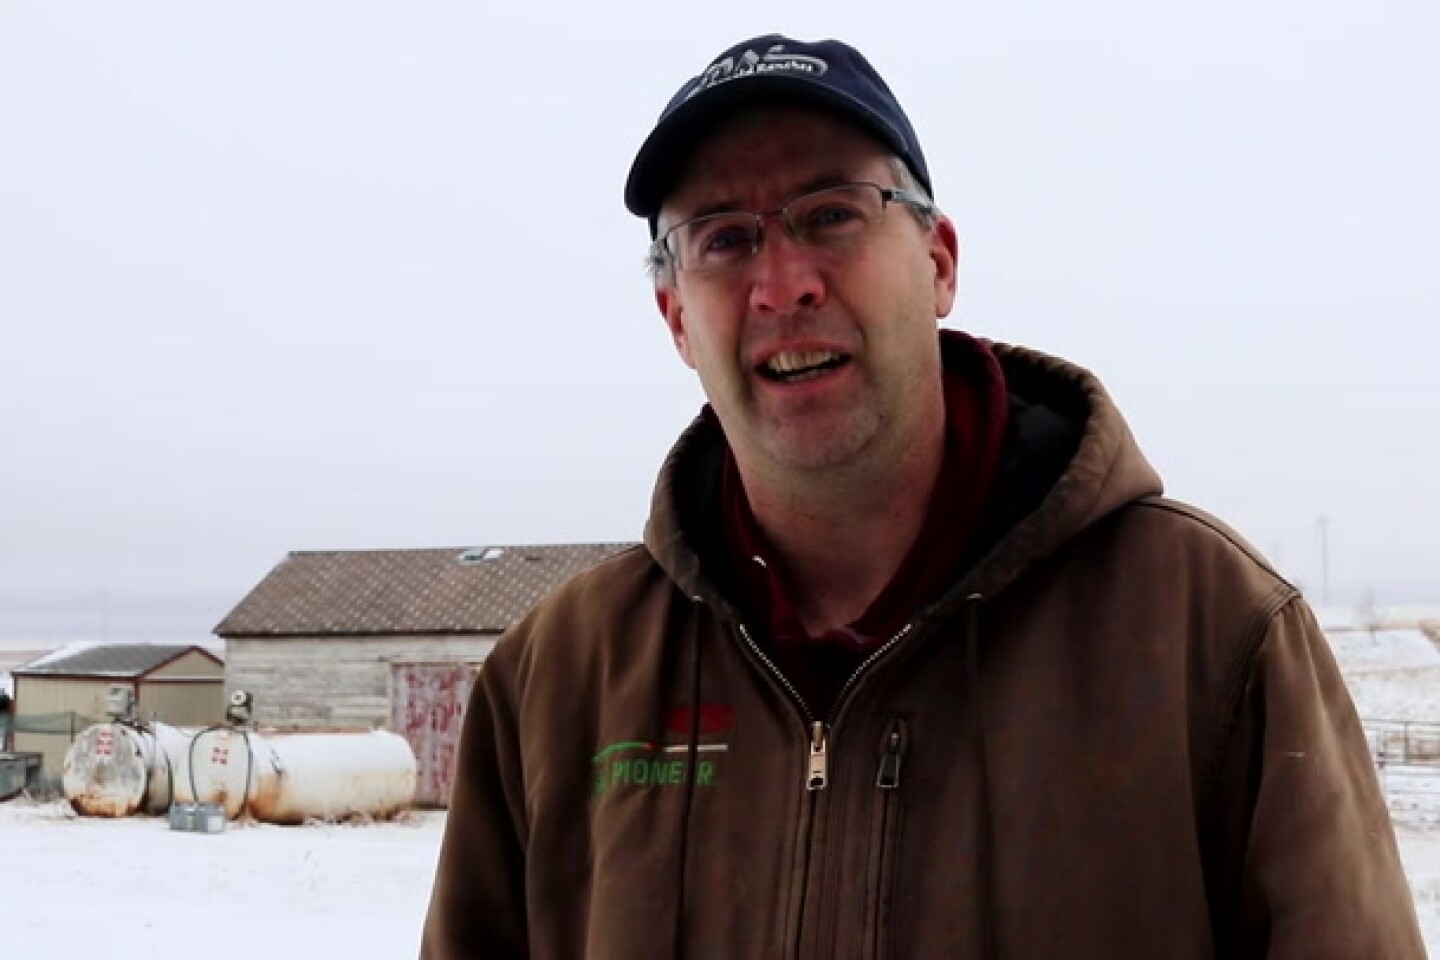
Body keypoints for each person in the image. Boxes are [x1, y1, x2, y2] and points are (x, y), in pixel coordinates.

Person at [421, 34, 1424, 958]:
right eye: (724, 239)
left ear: (938, 262)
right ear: (677, 316)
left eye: (830, 215)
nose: (783, 284)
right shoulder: (558, 682)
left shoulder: (1209, 632)